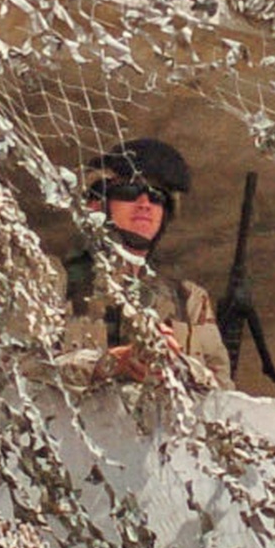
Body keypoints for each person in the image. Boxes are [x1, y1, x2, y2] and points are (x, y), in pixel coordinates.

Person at [61, 138, 231, 389]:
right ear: (97, 204)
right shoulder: (54, 279)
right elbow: (10, 366)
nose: (145, 204)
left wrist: (175, 365)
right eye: (129, 192)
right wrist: (108, 364)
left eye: (156, 197)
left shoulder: (189, 300)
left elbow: (224, 392)